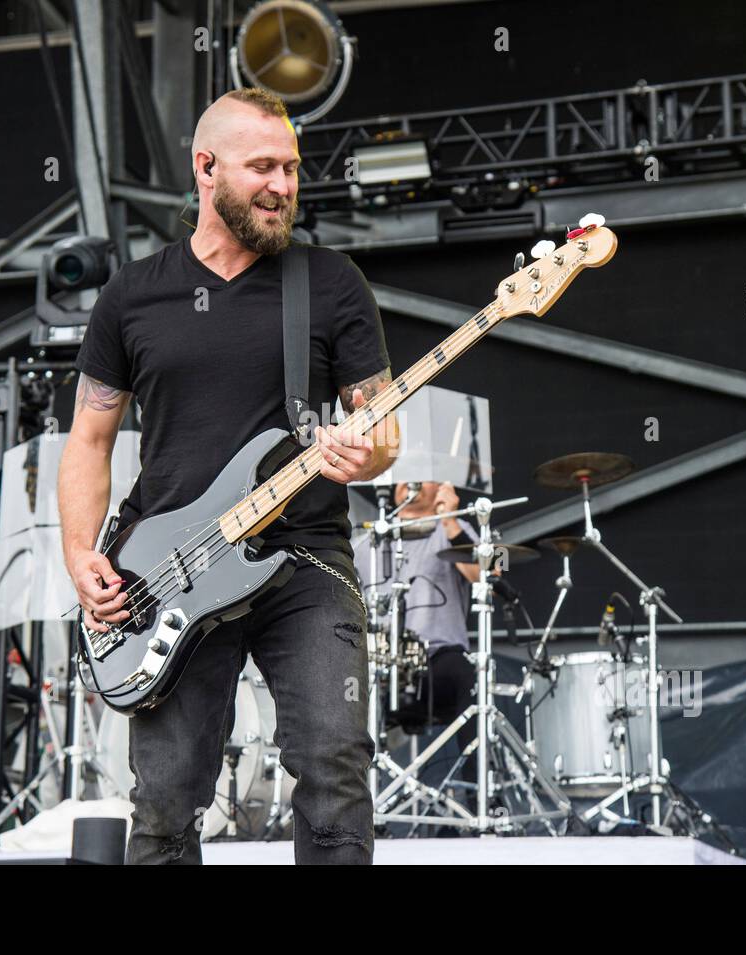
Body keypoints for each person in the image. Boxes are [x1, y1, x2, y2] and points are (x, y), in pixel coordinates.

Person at [58, 87, 399, 864]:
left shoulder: (330, 281)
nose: (283, 185)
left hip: (304, 555)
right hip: (167, 569)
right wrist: (81, 554)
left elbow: (380, 424)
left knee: (335, 765)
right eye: (263, 167)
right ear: (205, 168)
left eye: (292, 168)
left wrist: (368, 452)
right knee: (168, 799)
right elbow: (90, 438)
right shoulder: (133, 294)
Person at [353, 481, 482, 799]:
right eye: (405, 476)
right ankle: (347, 805)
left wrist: (450, 519)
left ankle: (481, 795)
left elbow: (495, 569)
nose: (410, 484)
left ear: (441, 487)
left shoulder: (456, 527)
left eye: (422, 476)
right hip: (376, 663)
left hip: (436, 660)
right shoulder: (364, 542)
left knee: (470, 679)